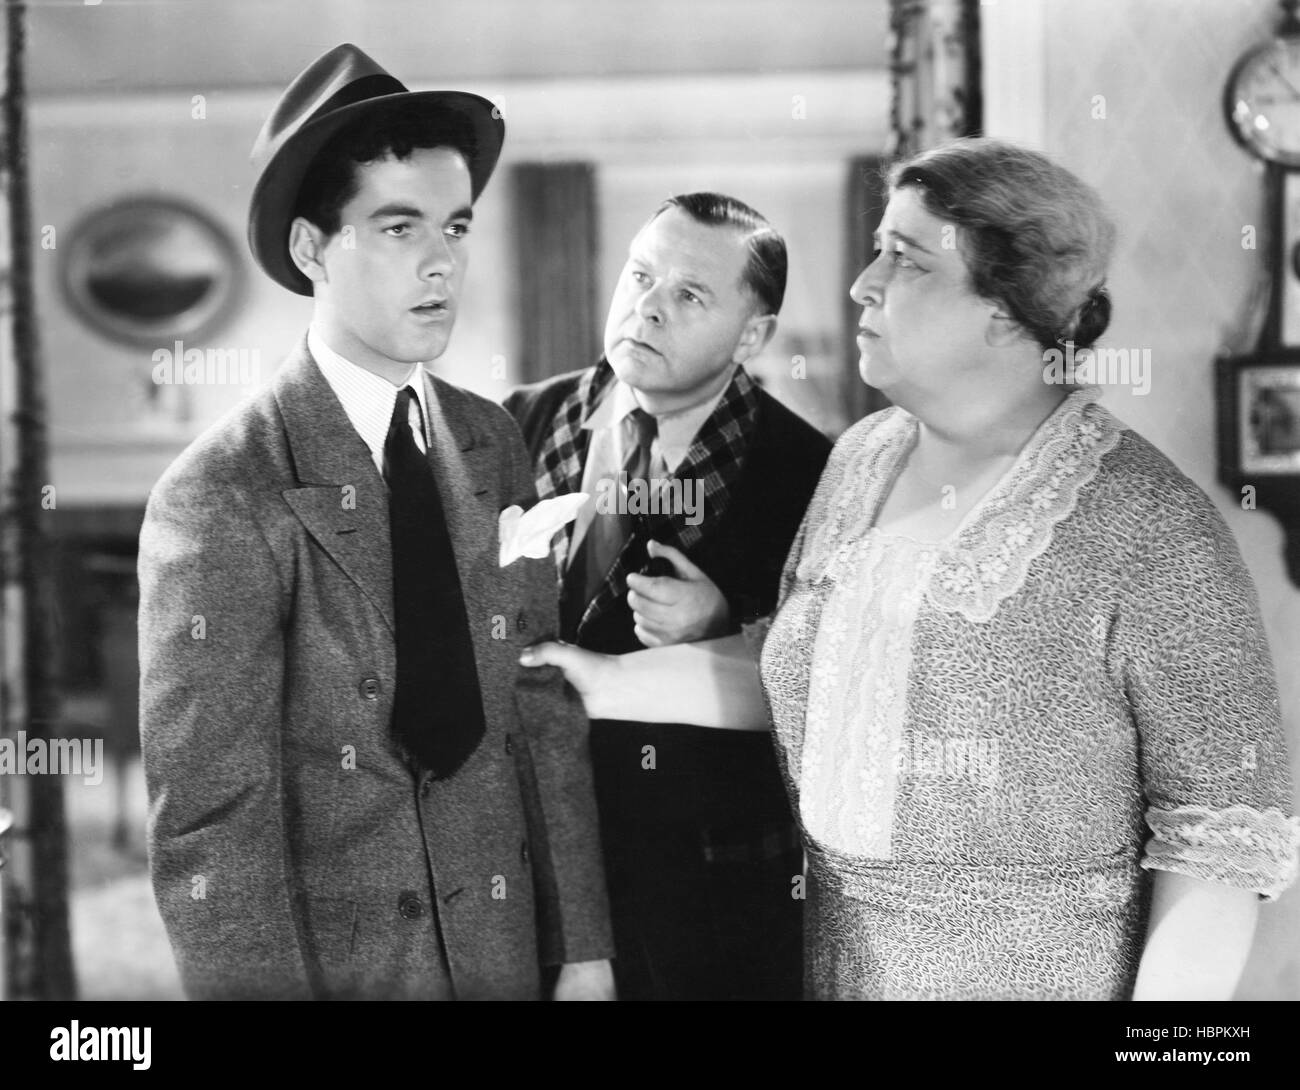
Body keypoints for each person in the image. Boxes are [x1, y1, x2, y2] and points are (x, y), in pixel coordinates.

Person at [523, 138, 1300, 1000]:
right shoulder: (861, 461)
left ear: (1003, 309)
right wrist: (591, 683)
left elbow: (1218, 854)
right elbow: (815, 677)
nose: (862, 282)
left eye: (906, 258)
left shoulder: (1155, 529)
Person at [138, 43, 613, 1000]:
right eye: (398, 228)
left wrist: (585, 949)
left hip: (508, 949)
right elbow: (212, 822)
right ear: (313, 248)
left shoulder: (491, 443)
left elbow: (537, 715)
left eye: (456, 226)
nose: (442, 261)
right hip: (347, 971)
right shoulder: (222, 490)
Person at [504, 193, 830, 1000]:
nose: (646, 307)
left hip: (708, 896)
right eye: (641, 275)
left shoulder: (811, 469)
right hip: (527, 863)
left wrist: (728, 627)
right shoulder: (515, 423)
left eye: (689, 295)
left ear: (752, 334)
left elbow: (835, 685)